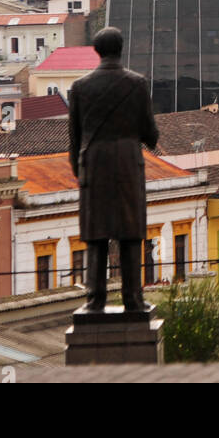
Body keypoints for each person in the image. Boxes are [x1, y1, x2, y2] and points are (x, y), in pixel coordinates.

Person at [68, 27, 159, 313]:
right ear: (121, 49)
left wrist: (80, 171)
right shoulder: (138, 84)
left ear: (96, 50)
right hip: (127, 163)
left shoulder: (80, 87)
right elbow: (151, 135)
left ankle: (95, 300)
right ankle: (133, 298)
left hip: (93, 163)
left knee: (96, 234)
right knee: (130, 232)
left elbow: (74, 139)